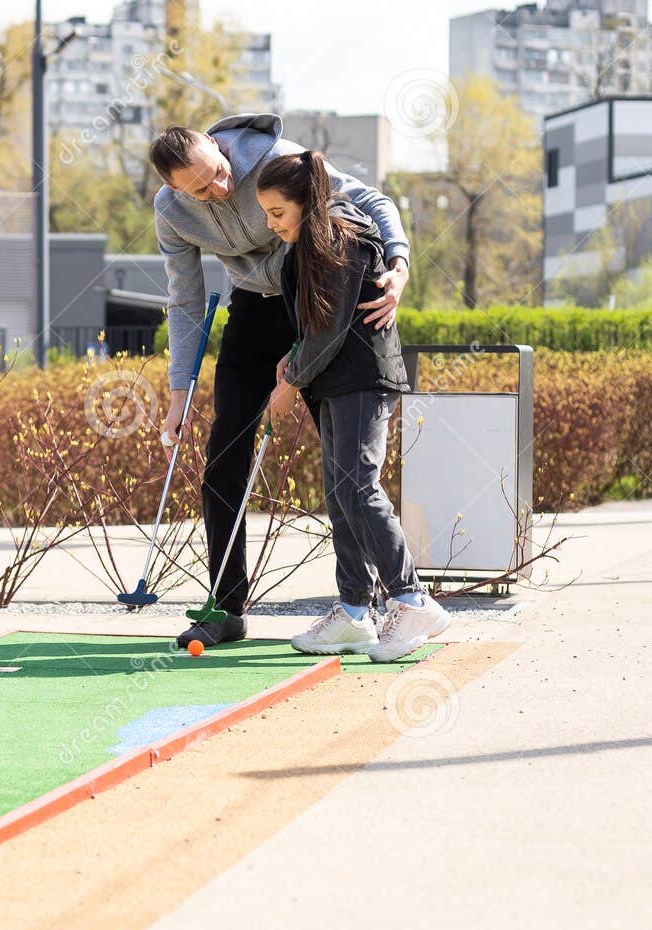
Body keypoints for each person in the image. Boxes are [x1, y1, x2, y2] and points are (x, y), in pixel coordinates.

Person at [148, 115, 410, 652]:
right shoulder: (171, 213)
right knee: (223, 456)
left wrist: (399, 265)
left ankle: (365, 605)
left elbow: (374, 202)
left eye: (218, 174)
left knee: (346, 469)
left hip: (313, 306)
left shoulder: (278, 161)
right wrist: (179, 395)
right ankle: (226, 607)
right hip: (249, 310)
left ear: (219, 150)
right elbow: (185, 300)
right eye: (199, 189)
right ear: (174, 190)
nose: (217, 190)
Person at [255, 150, 450, 662]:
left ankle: (410, 599)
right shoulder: (308, 245)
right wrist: (290, 360)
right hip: (332, 382)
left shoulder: (343, 239)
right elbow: (314, 328)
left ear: (306, 201)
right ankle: (355, 612)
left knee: (358, 487)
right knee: (340, 494)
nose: (271, 225)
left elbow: (333, 327)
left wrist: (290, 381)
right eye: (266, 215)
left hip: (362, 378)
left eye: (278, 213)